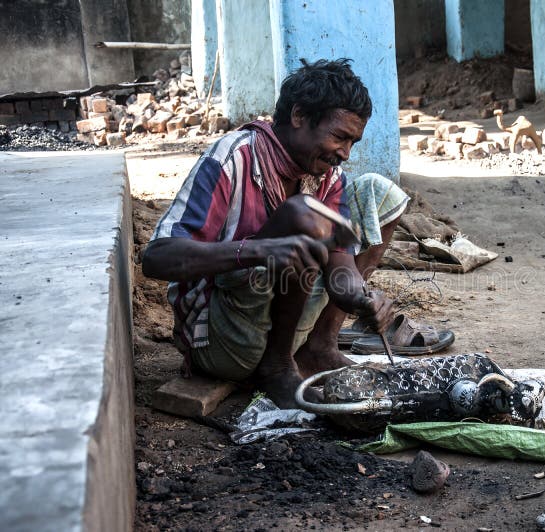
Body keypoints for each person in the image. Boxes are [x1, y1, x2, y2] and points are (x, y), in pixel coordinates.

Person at [142, 58, 410, 408]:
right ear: (299, 116)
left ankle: (318, 347)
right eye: (339, 137)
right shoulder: (233, 157)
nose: (344, 154)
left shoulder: (328, 177)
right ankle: (278, 368)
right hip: (220, 340)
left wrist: (361, 298)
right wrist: (260, 250)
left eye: (353, 143)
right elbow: (156, 258)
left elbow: (340, 268)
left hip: (283, 329)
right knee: (302, 213)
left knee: (377, 192)